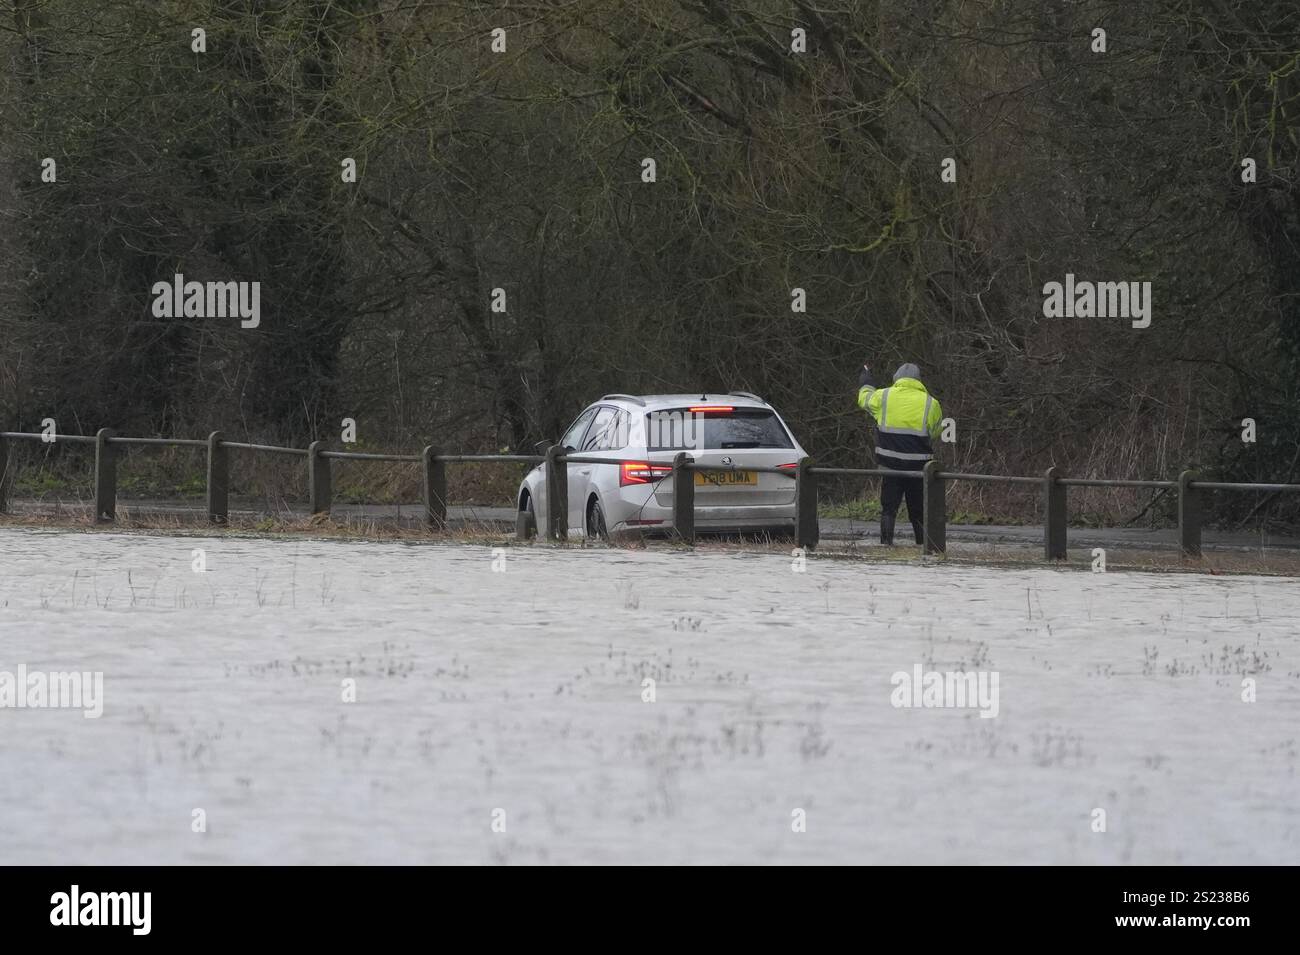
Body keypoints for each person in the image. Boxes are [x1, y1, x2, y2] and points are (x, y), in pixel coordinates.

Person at [856, 362, 944, 545]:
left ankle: (886, 545)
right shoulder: (931, 403)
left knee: (888, 508)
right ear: (919, 380)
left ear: (896, 378)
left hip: (890, 465)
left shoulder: (884, 396)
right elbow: (935, 431)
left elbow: (863, 400)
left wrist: (866, 380)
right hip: (918, 468)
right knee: (918, 511)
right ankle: (924, 547)